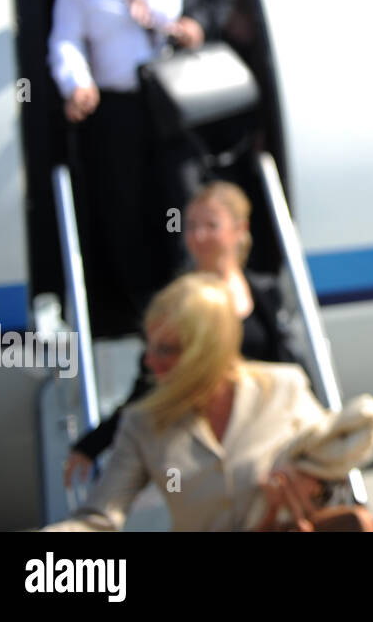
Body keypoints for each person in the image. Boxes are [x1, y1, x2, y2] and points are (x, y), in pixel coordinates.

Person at [45, 272, 373, 531]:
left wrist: (312, 487)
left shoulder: (283, 388)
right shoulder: (143, 423)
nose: (150, 362)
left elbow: (338, 471)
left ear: (206, 351)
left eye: (167, 350)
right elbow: (98, 521)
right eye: (150, 346)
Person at [63, 180, 303, 488]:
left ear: (239, 229)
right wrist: (94, 443)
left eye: (210, 225)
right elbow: (150, 383)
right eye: (190, 226)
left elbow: (286, 367)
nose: (198, 236)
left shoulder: (264, 292)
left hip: (261, 437)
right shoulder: (178, 301)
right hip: (204, 446)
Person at [48, 0, 205, 336]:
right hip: (118, 107)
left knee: (185, 194)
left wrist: (194, 27)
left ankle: (195, 299)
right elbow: (66, 39)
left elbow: (210, 5)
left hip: (174, 98)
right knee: (125, 202)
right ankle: (143, 311)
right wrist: (76, 84)